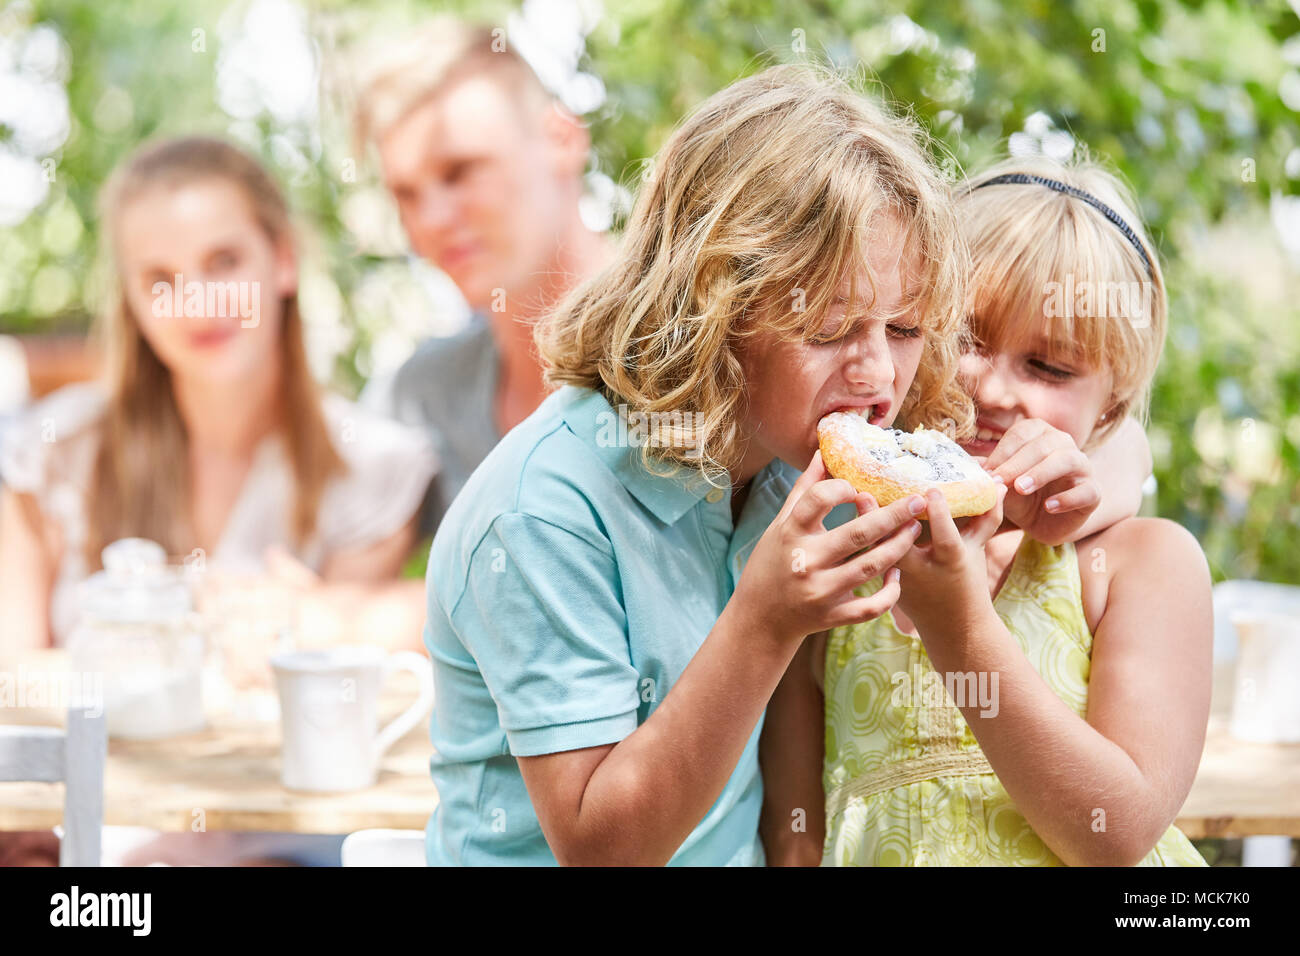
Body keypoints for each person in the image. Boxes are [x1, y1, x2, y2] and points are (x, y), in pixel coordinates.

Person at [420, 62, 1112, 866]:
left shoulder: (801, 448)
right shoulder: (542, 513)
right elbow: (601, 850)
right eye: (829, 329)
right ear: (710, 309)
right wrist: (764, 620)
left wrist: (1055, 489)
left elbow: (1080, 419)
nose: (879, 377)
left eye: (906, 328)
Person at [760, 155, 1211, 866]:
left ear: (1111, 409)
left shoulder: (1143, 563)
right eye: (964, 338)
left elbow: (1117, 833)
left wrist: (957, 624)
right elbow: (795, 839)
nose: (992, 388)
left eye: (1051, 367)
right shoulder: (829, 561)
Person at [0, 136, 437, 865]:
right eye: (161, 278)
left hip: (265, 842)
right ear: (133, 304)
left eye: (223, 262)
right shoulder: (46, 456)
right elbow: (10, 683)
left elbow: (326, 728)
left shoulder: (375, 469)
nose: (197, 301)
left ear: (284, 260)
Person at [355, 19, 615, 534]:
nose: (429, 220)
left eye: (459, 171)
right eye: (405, 195)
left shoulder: (701, 349)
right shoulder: (422, 396)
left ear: (562, 140)